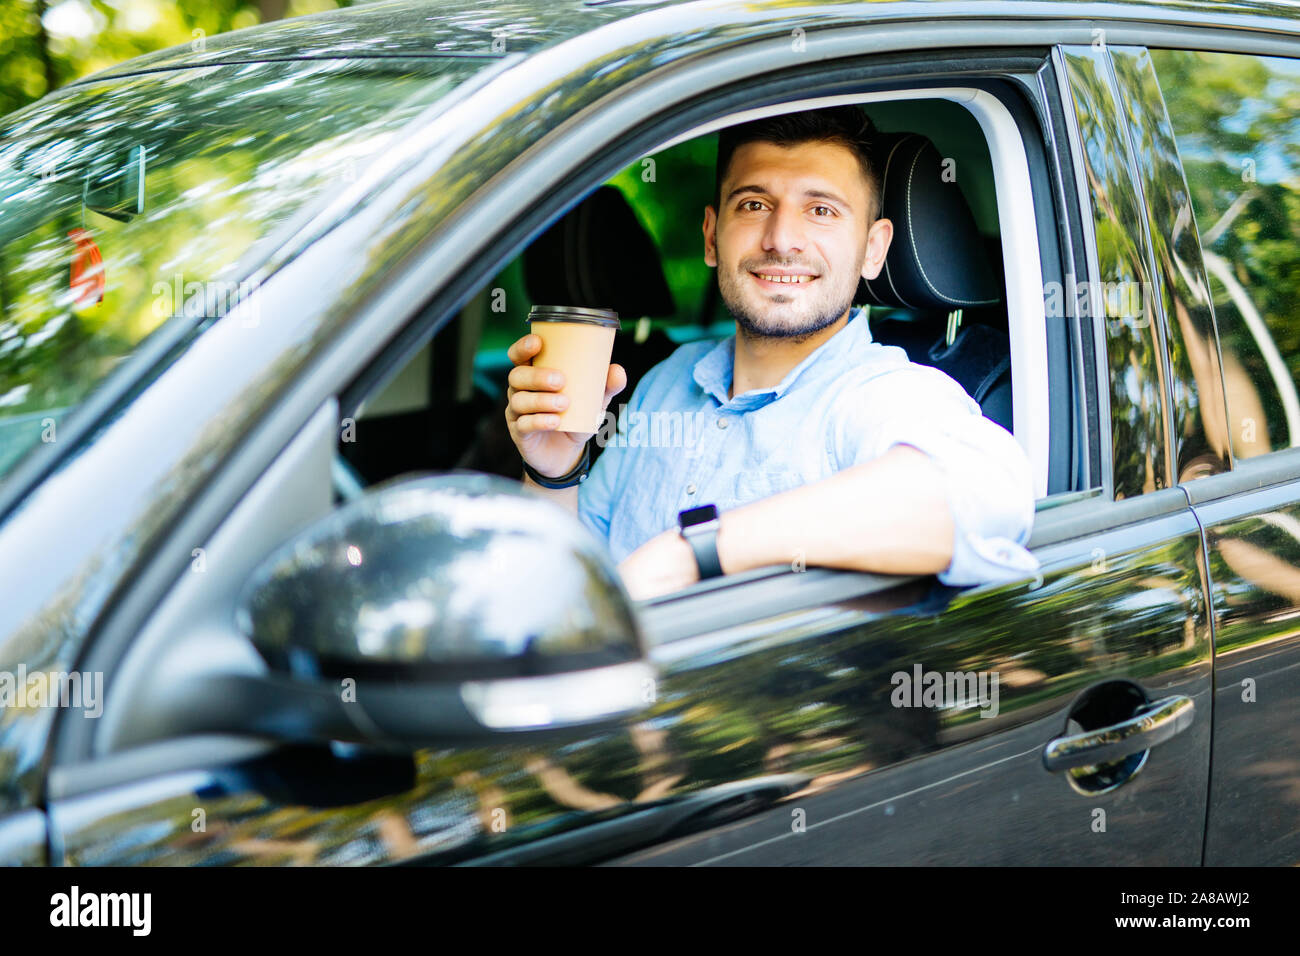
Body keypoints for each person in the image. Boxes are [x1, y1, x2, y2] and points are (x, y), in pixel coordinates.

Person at [504, 106, 1037, 600]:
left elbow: (985, 497)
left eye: (821, 210)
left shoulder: (884, 394)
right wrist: (554, 471)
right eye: (754, 204)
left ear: (873, 249)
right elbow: (569, 589)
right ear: (712, 237)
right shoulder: (668, 380)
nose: (782, 239)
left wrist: (693, 552)